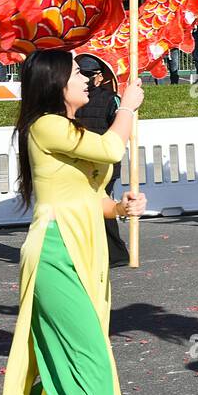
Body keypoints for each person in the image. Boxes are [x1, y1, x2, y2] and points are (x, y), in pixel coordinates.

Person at [0, 50, 146, 395]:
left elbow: (89, 198)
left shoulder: (70, 129)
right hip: (57, 251)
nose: (87, 80)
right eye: (77, 73)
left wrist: (120, 208)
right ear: (55, 83)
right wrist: (127, 107)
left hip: (84, 248)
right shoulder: (46, 124)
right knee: (86, 361)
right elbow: (112, 148)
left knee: (75, 359)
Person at [74, 54, 128, 267]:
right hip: (104, 160)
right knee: (100, 207)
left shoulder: (74, 98)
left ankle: (114, 253)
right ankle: (111, 252)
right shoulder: (109, 98)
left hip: (91, 161)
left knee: (99, 207)